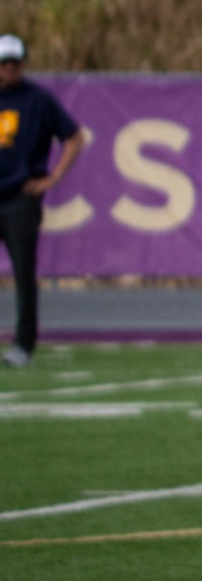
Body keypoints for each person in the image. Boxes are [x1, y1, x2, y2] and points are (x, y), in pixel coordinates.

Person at [0, 33, 87, 368]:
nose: (9, 69)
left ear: (22, 63)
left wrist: (53, 177)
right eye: (4, 63)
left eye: (14, 62)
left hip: (21, 197)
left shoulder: (37, 100)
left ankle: (23, 345)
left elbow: (74, 137)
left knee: (23, 273)